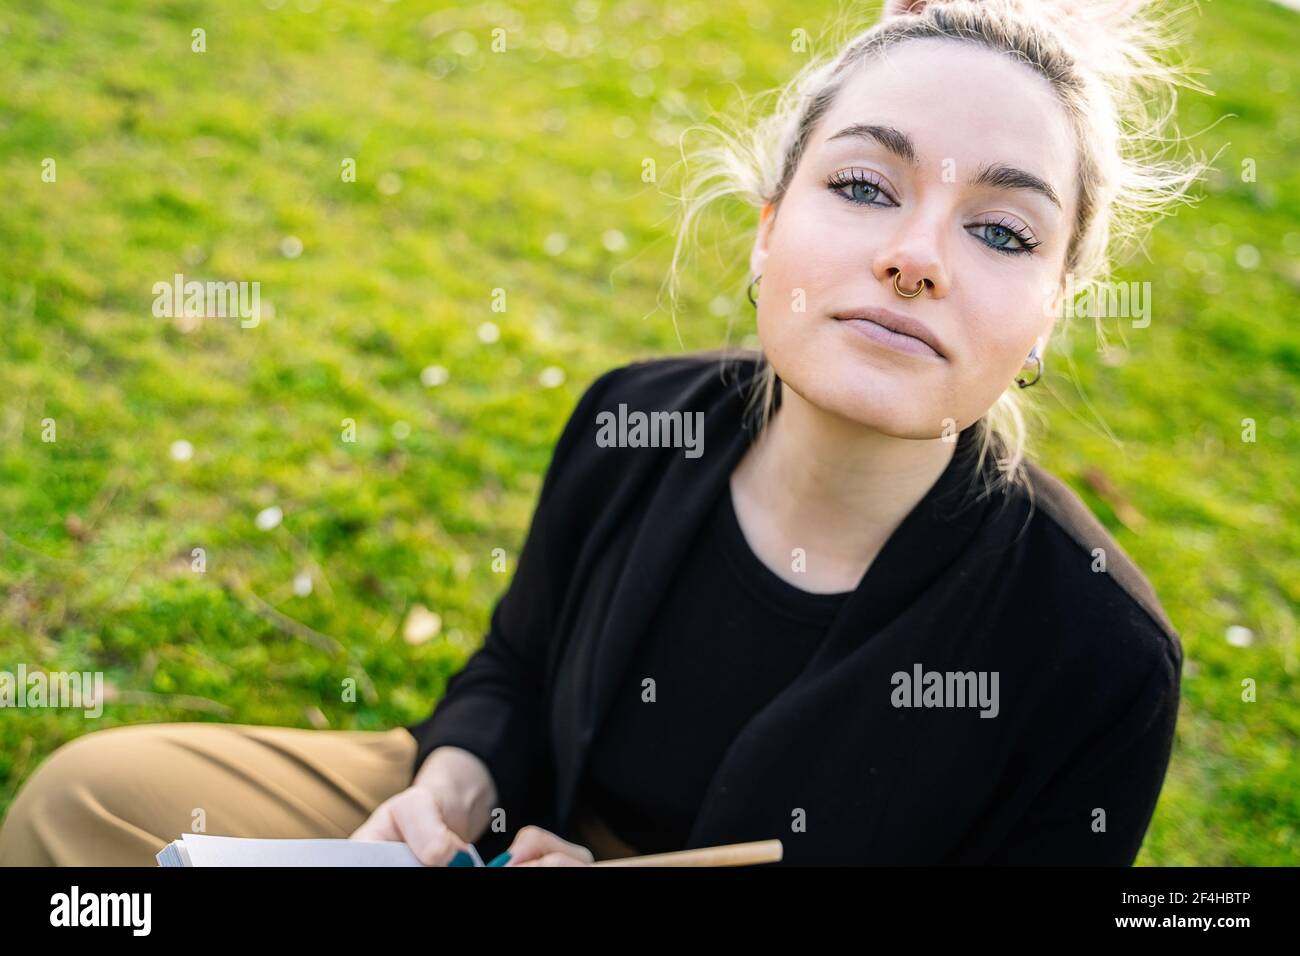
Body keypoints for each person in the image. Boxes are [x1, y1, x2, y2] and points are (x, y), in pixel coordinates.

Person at [0, 0, 1204, 867]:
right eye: (864, 185)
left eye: (1001, 230)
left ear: (1055, 308)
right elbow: (512, 669)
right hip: (505, 833)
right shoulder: (631, 420)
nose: (916, 254)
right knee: (90, 809)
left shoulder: (1097, 650)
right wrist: (457, 774)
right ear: (764, 229)